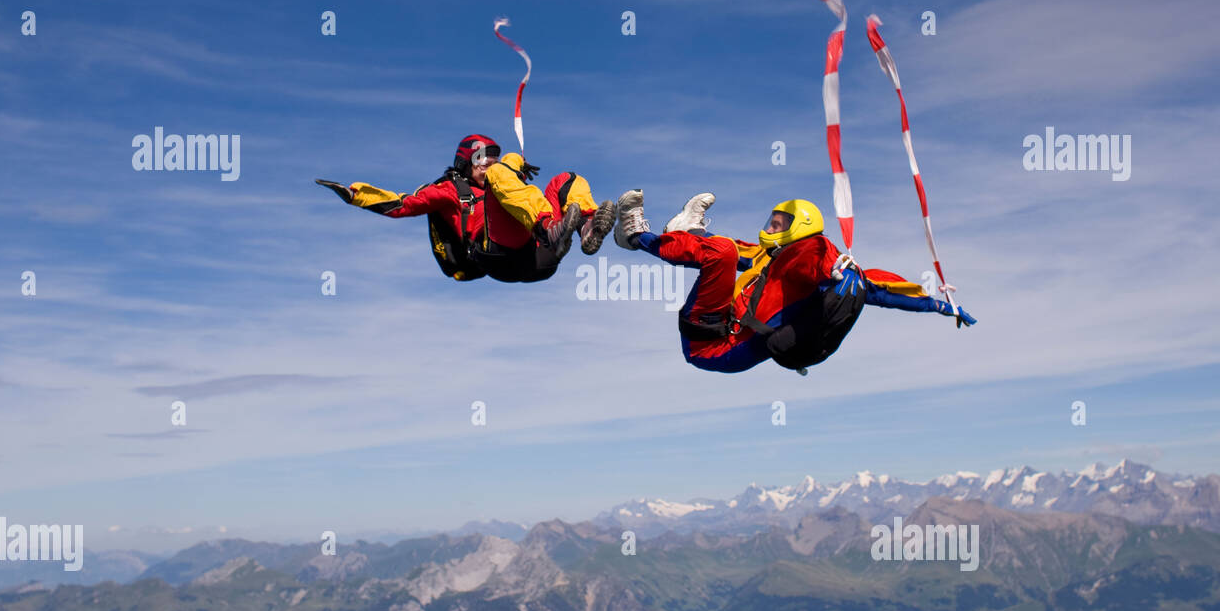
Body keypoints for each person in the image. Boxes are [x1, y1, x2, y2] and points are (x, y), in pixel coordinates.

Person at [614, 190, 975, 373]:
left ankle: (633, 236)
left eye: (777, 224)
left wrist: (939, 305)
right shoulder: (770, 257)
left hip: (714, 345)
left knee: (721, 251)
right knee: (728, 250)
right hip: (719, 323)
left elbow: (880, 289)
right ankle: (685, 229)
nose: (769, 227)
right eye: (771, 220)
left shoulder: (814, 264)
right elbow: (736, 252)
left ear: (797, 230)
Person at [316, 134, 616, 282]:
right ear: (464, 162)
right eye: (481, 158)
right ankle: (551, 230)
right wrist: (356, 194)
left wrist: (513, 170)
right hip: (499, 257)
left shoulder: (502, 183)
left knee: (567, 179)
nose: (489, 163)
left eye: (493, 157)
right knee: (504, 175)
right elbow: (402, 204)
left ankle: (586, 227)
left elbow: (508, 181)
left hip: (539, 255)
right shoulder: (448, 190)